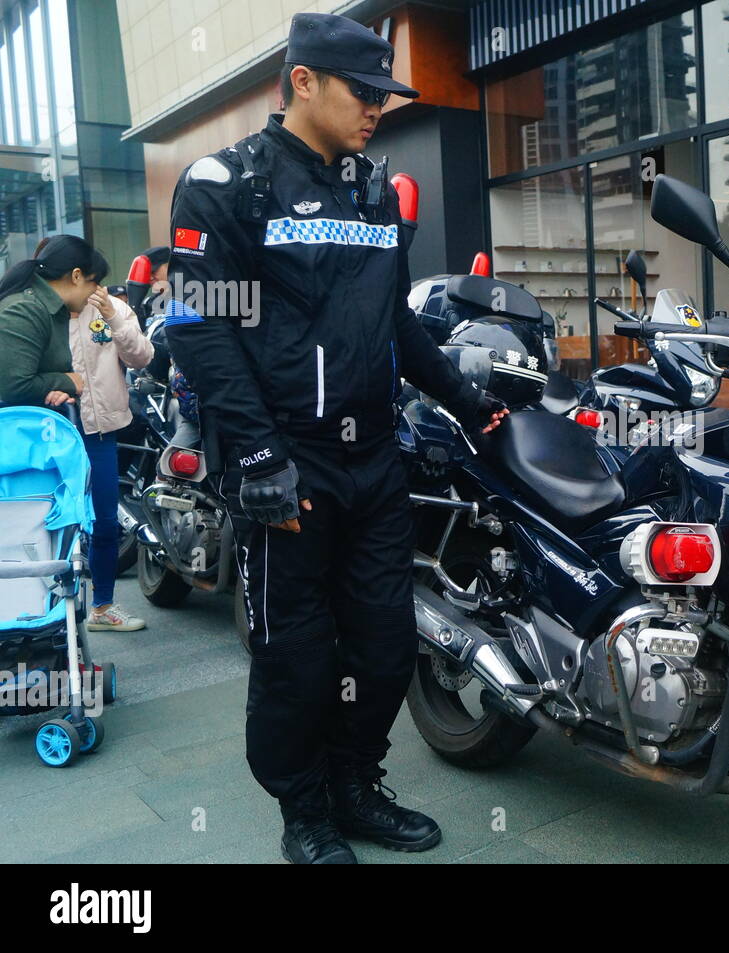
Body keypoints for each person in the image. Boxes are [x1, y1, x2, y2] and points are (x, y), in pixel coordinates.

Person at [164, 12, 507, 865]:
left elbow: (394, 321)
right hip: (287, 460)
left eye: (386, 95)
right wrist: (256, 457)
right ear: (304, 80)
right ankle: (305, 809)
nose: (378, 110)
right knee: (298, 659)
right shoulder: (226, 183)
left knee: (387, 646)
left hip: (374, 459)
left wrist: (470, 401)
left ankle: (358, 783)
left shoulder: (372, 190)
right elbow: (202, 331)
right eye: (366, 92)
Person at [69, 284, 154, 631]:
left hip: (101, 430)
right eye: (91, 278)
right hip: (53, 432)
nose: (96, 286)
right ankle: (48, 613)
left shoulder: (112, 307)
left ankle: (102, 606)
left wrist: (112, 315)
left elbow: (142, 357)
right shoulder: (40, 312)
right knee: (55, 523)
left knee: (105, 522)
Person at [0, 235, 107, 409]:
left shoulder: (51, 309)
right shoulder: (25, 310)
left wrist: (57, 391)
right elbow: (13, 387)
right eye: (95, 282)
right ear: (77, 276)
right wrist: (67, 381)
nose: (98, 290)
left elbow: (37, 376)